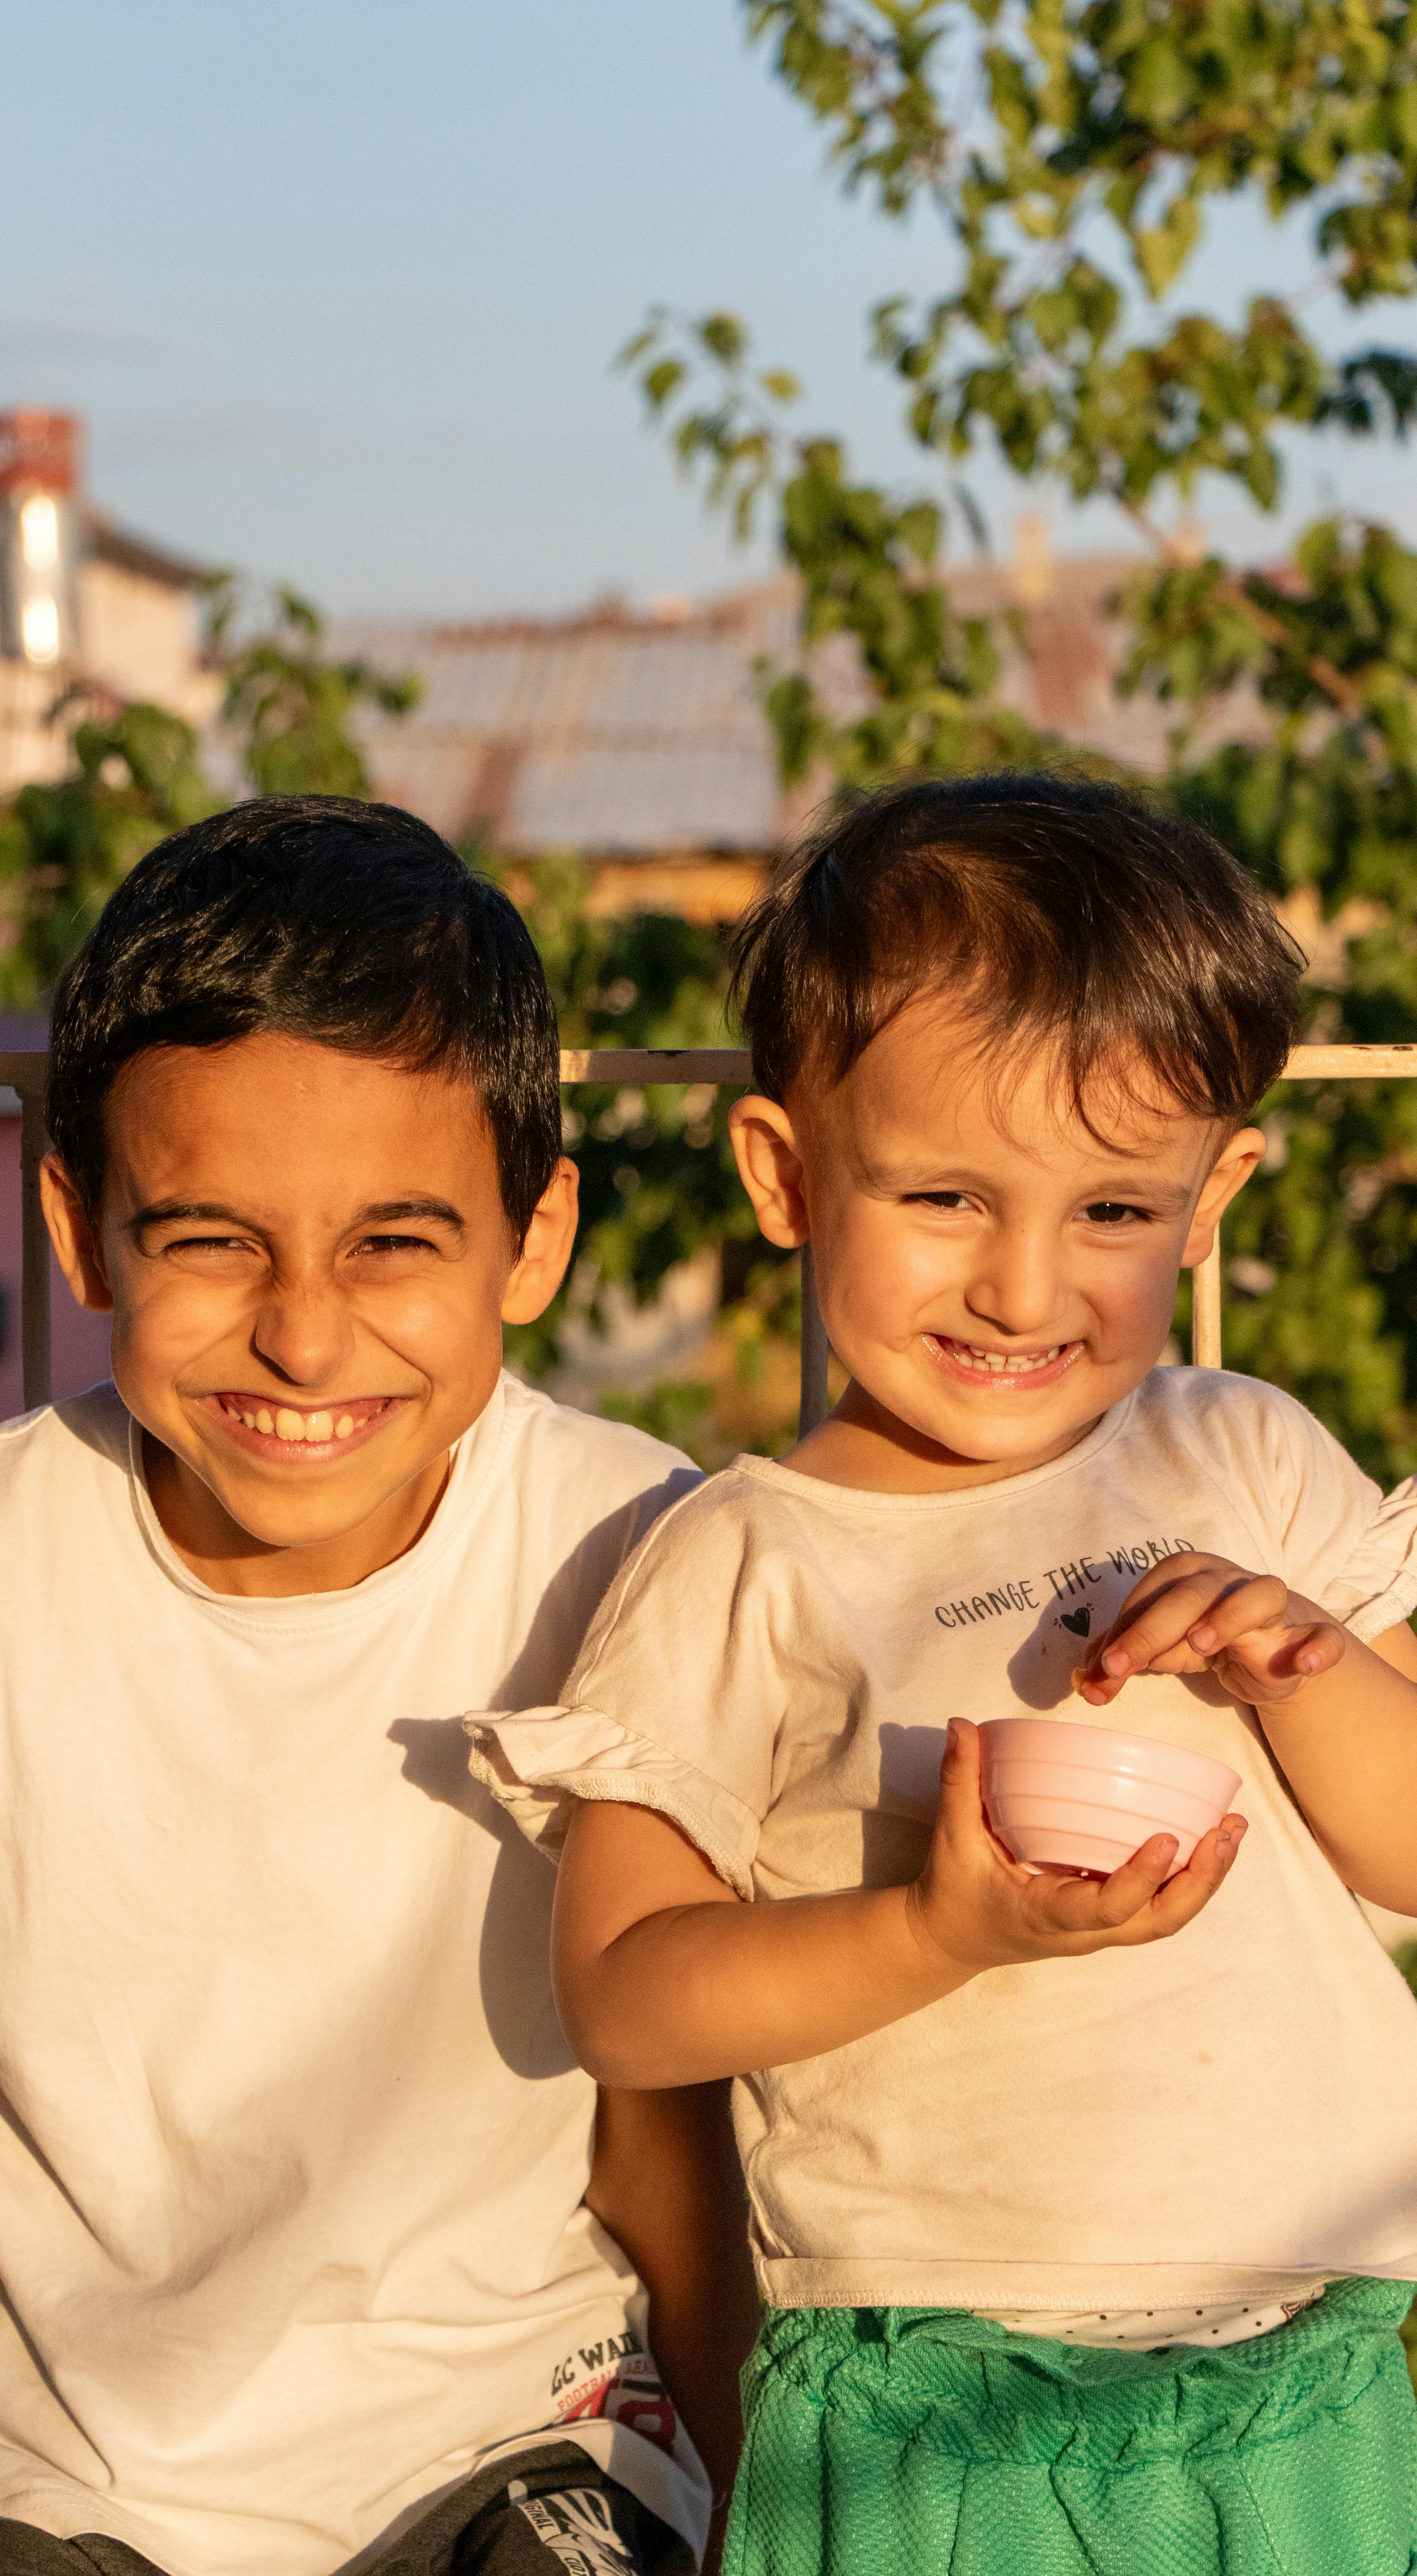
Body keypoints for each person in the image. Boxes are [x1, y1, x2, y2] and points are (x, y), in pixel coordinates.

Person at [0, 797, 757, 2576]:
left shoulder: (635, 1547)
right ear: (81, 1225)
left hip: (513, 2446)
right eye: (209, 1239)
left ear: (538, 1235)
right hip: (36, 2488)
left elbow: (676, 2171)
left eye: (395, 1243)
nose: (303, 1331)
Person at [469, 773, 1417, 2576]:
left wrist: (1304, 1663)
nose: (1020, 1283)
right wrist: (940, 1934)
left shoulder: (1247, 1458)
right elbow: (623, 1998)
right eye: (943, 1197)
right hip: (929, 2404)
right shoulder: (737, 1558)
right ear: (782, 1173)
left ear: (1214, 1200)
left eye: (1114, 1214)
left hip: (1298, 2380)